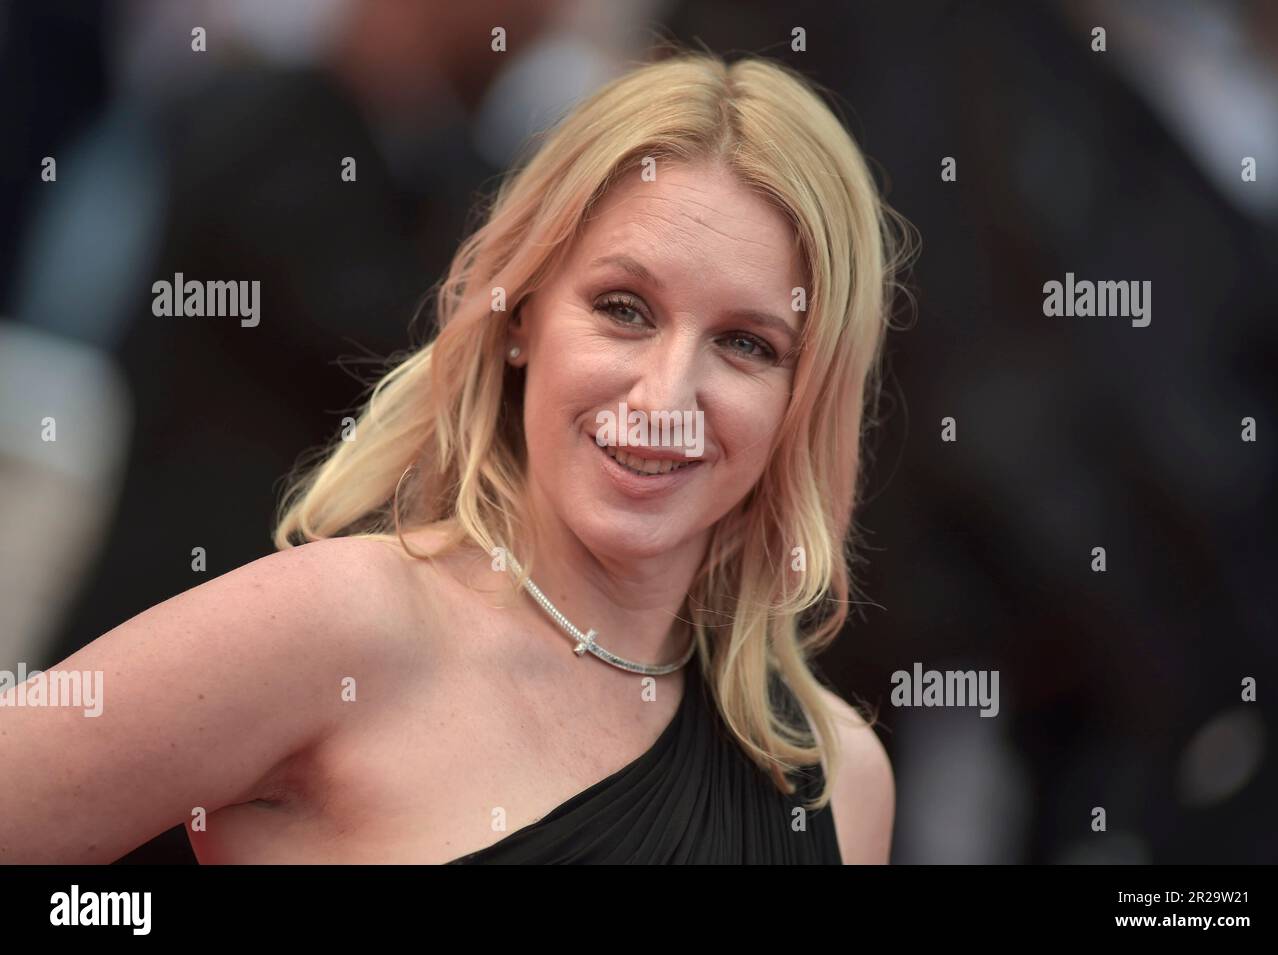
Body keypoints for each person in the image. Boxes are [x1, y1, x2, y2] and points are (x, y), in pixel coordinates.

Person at [0, 51, 904, 864]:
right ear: (521, 318)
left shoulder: (837, 780)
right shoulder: (339, 627)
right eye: (624, 309)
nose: (665, 400)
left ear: (806, 397)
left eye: (747, 344)